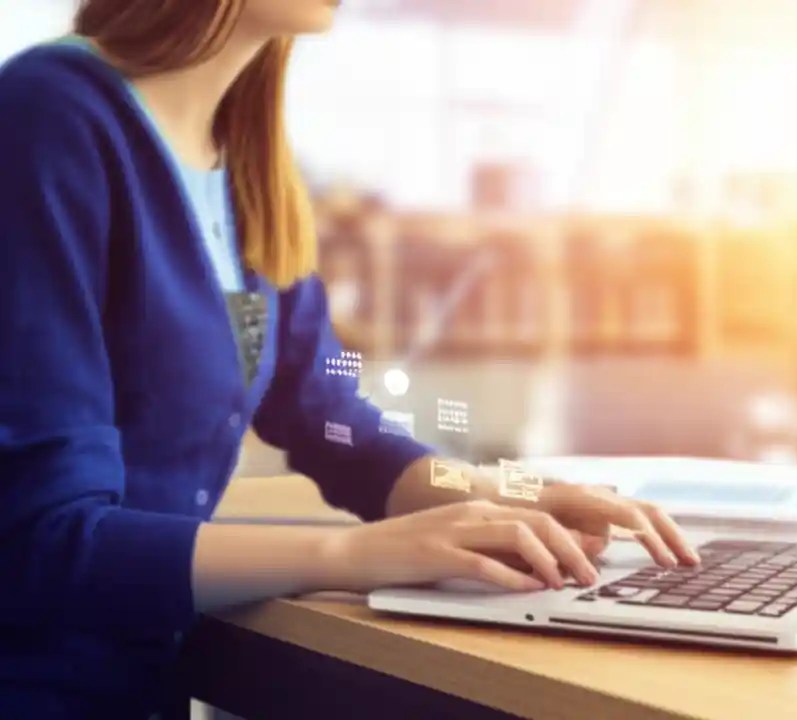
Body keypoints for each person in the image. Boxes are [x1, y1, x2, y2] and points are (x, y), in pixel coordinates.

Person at [0, 1, 698, 716]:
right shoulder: (47, 118)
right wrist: (360, 554)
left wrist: (506, 492)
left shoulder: (249, 163)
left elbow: (335, 423)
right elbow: (42, 541)